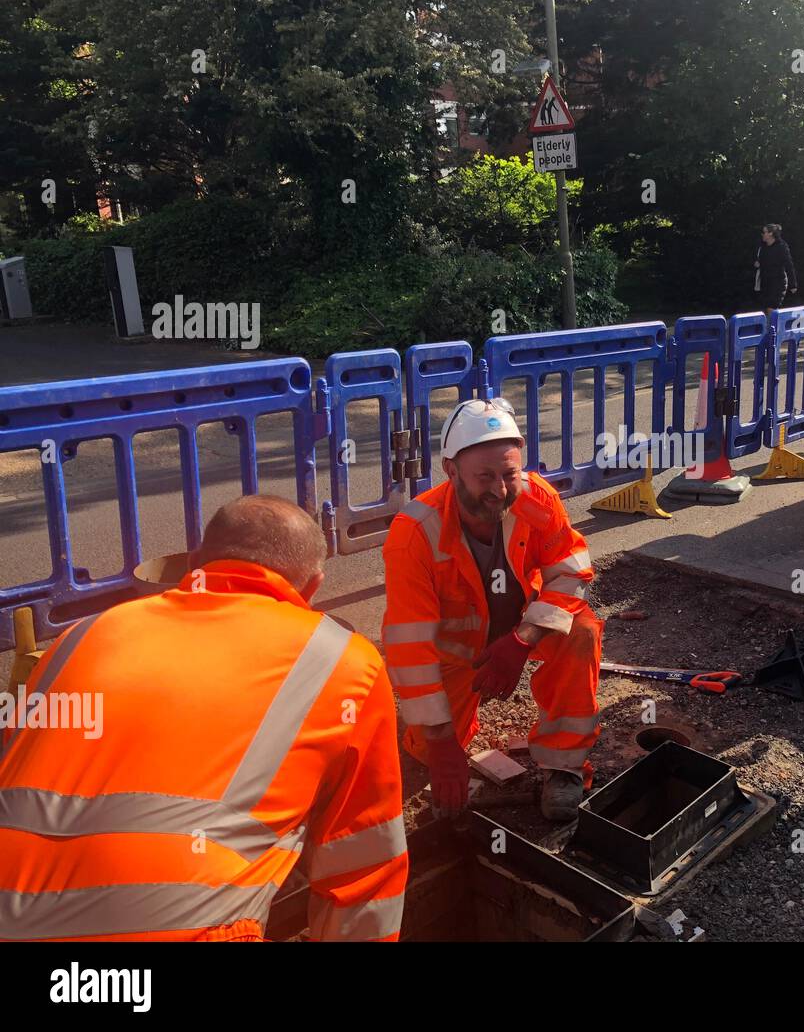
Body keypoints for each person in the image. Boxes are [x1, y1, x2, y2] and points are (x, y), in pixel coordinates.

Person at [0, 494, 407, 941]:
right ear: (312, 588)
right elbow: (362, 867)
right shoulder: (344, 661)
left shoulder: (82, 636)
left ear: (193, 564)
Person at [382, 398, 601, 823]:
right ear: (450, 471)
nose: (500, 490)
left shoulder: (538, 499)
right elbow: (410, 645)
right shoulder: (414, 533)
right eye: (485, 476)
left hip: (522, 628)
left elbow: (571, 573)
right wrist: (443, 745)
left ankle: (565, 767)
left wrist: (521, 642)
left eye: (509, 474)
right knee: (428, 750)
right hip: (456, 648)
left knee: (581, 632)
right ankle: (441, 740)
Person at [754, 223, 798, 312]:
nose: (762, 234)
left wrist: (793, 285)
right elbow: (760, 262)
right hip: (765, 283)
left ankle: (771, 325)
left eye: (764, 232)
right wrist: (758, 263)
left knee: (771, 308)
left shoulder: (781, 247)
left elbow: (789, 265)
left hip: (778, 283)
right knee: (766, 309)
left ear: (771, 234)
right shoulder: (763, 247)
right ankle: (771, 324)